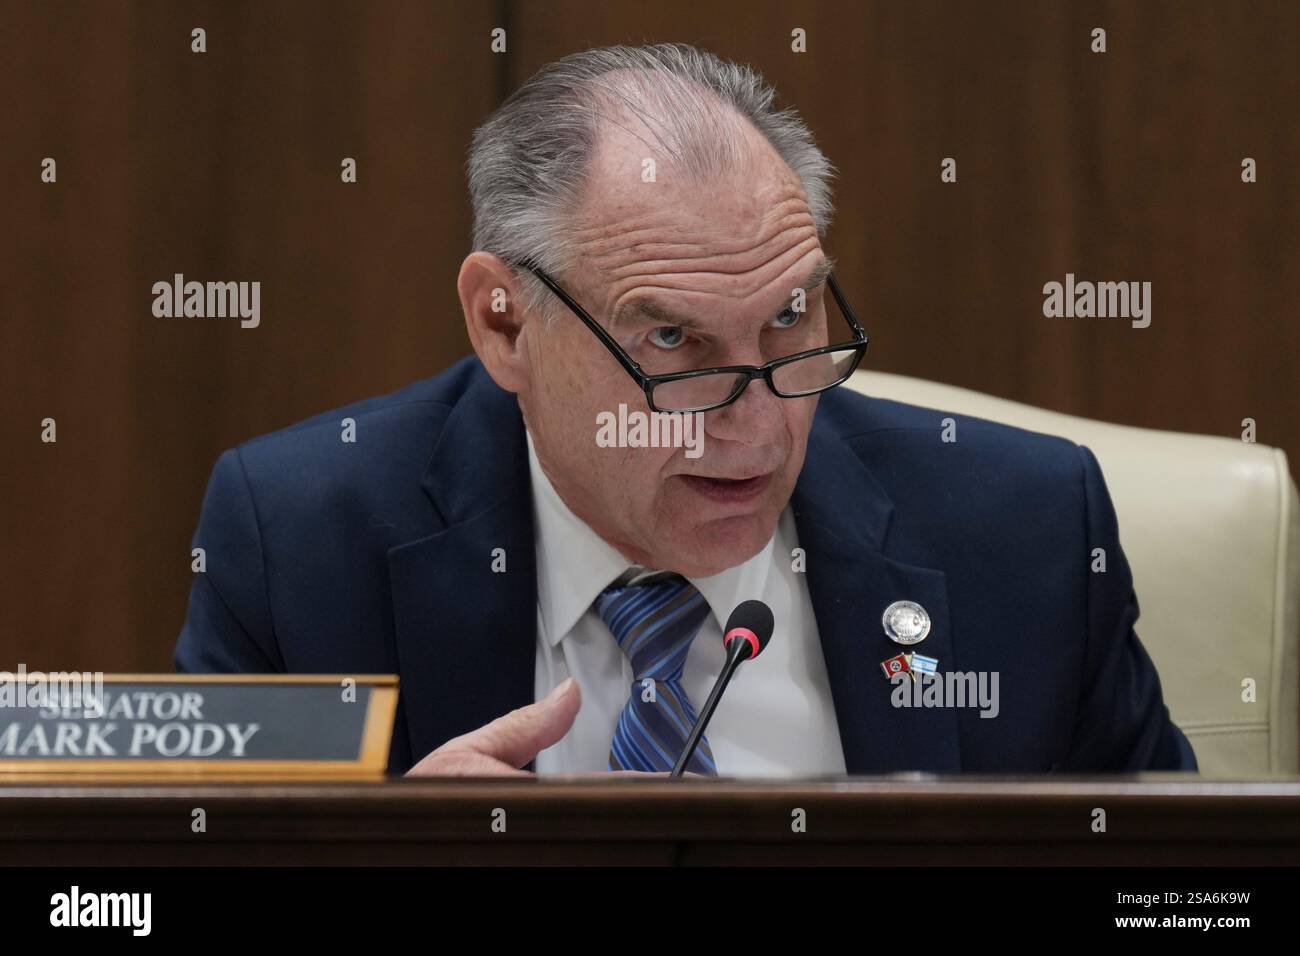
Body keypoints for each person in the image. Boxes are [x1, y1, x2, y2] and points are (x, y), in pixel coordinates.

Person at [175, 43, 1196, 777]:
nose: (754, 425)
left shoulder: (1026, 532)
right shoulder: (299, 542)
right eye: (672, 342)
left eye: (789, 318)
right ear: (504, 324)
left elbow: (1192, 900)